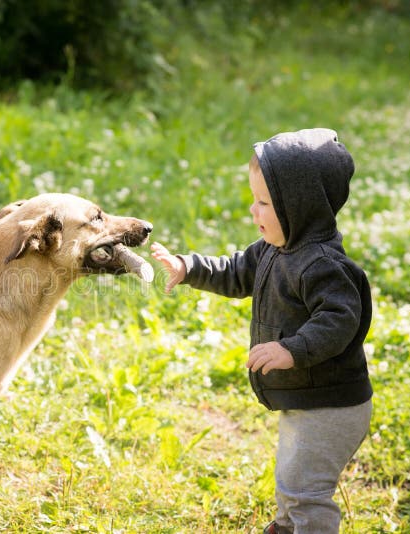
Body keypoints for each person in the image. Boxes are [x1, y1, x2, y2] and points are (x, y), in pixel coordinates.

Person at [151, 128, 373, 534]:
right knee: (293, 477)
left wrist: (294, 349)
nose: (254, 211)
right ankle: (287, 527)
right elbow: (237, 272)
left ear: (299, 207)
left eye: (264, 203)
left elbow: (340, 320)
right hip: (306, 396)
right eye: (255, 200)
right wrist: (189, 268)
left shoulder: (324, 265)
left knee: (306, 489)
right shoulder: (274, 248)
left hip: (331, 404)